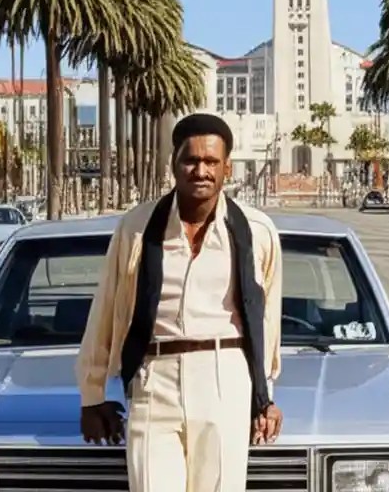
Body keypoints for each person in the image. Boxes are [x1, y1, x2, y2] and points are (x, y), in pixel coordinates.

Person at [75, 112, 284, 491]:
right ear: (173, 163)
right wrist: (92, 395)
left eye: (211, 162)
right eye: (191, 160)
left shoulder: (256, 231)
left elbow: (267, 319)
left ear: (227, 168)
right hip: (154, 377)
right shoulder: (136, 228)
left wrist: (263, 396)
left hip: (225, 376)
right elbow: (106, 307)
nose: (201, 171)